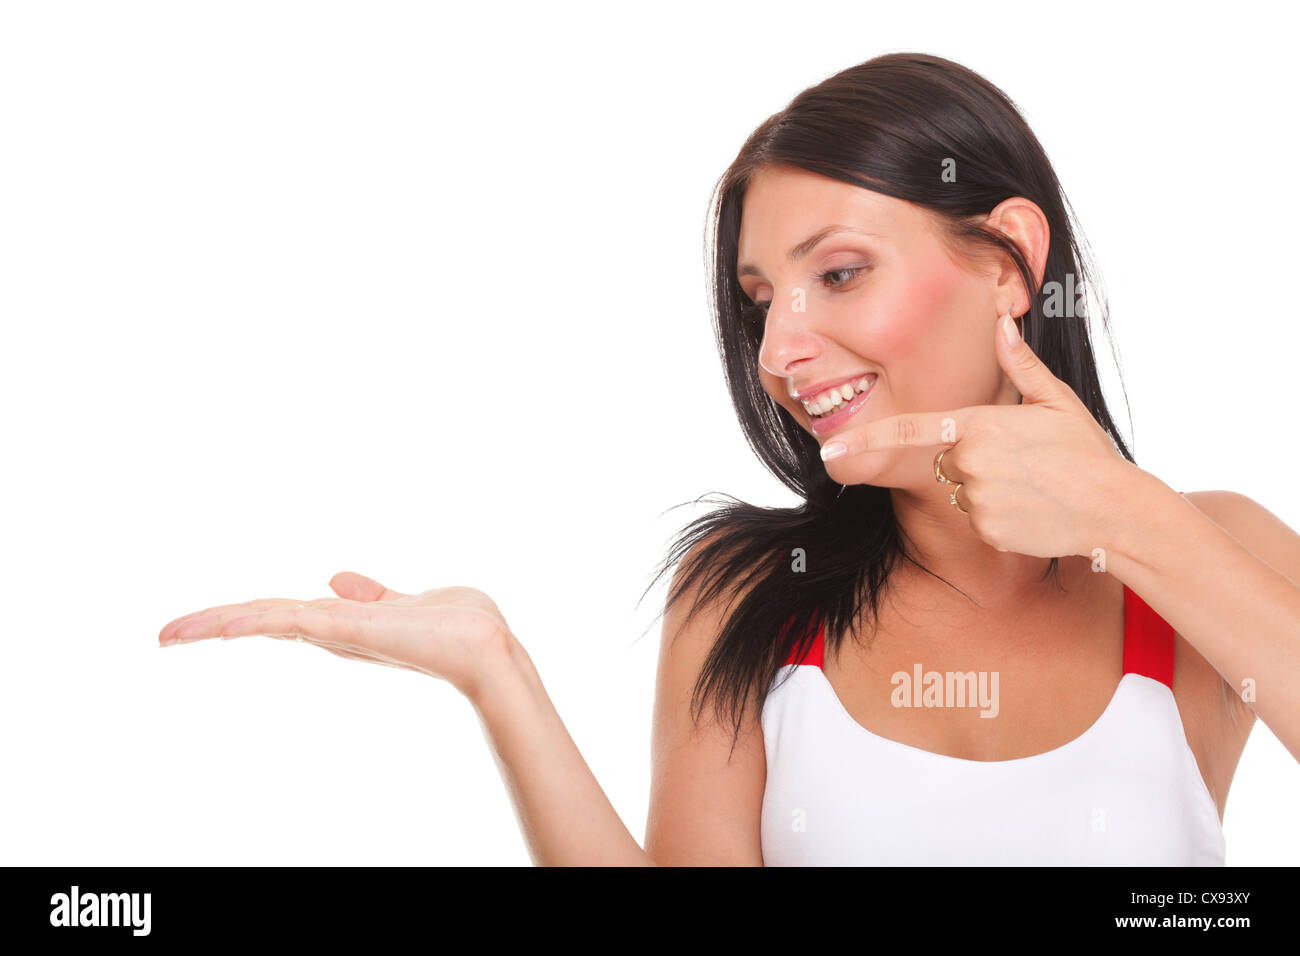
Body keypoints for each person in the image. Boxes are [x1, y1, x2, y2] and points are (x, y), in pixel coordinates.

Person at [157, 53, 1300, 865]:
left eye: (838, 272)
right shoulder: (749, 592)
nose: (782, 350)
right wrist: (491, 665)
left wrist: (1115, 509)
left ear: (1009, 261)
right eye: (760, 300)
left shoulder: (1207, 552)